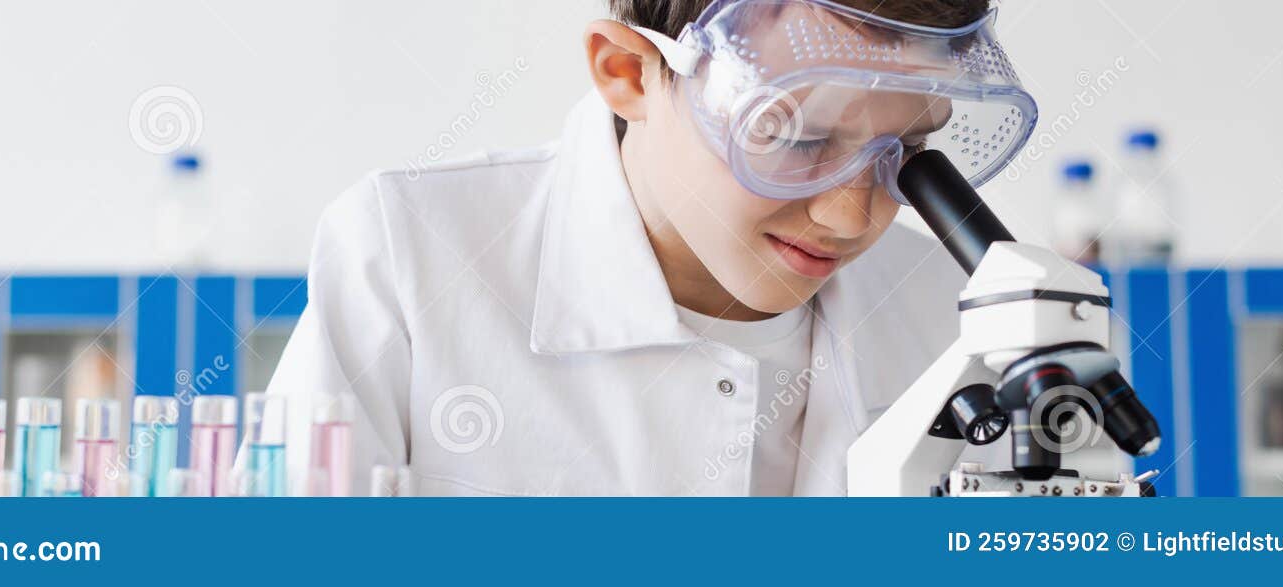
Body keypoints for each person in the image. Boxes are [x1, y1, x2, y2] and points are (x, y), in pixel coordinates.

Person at [266, 0, 1037, 495]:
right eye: (794, 135)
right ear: (629, 71)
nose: (848, 214)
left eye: (905, 148)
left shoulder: (957, 308)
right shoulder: (410, 255)